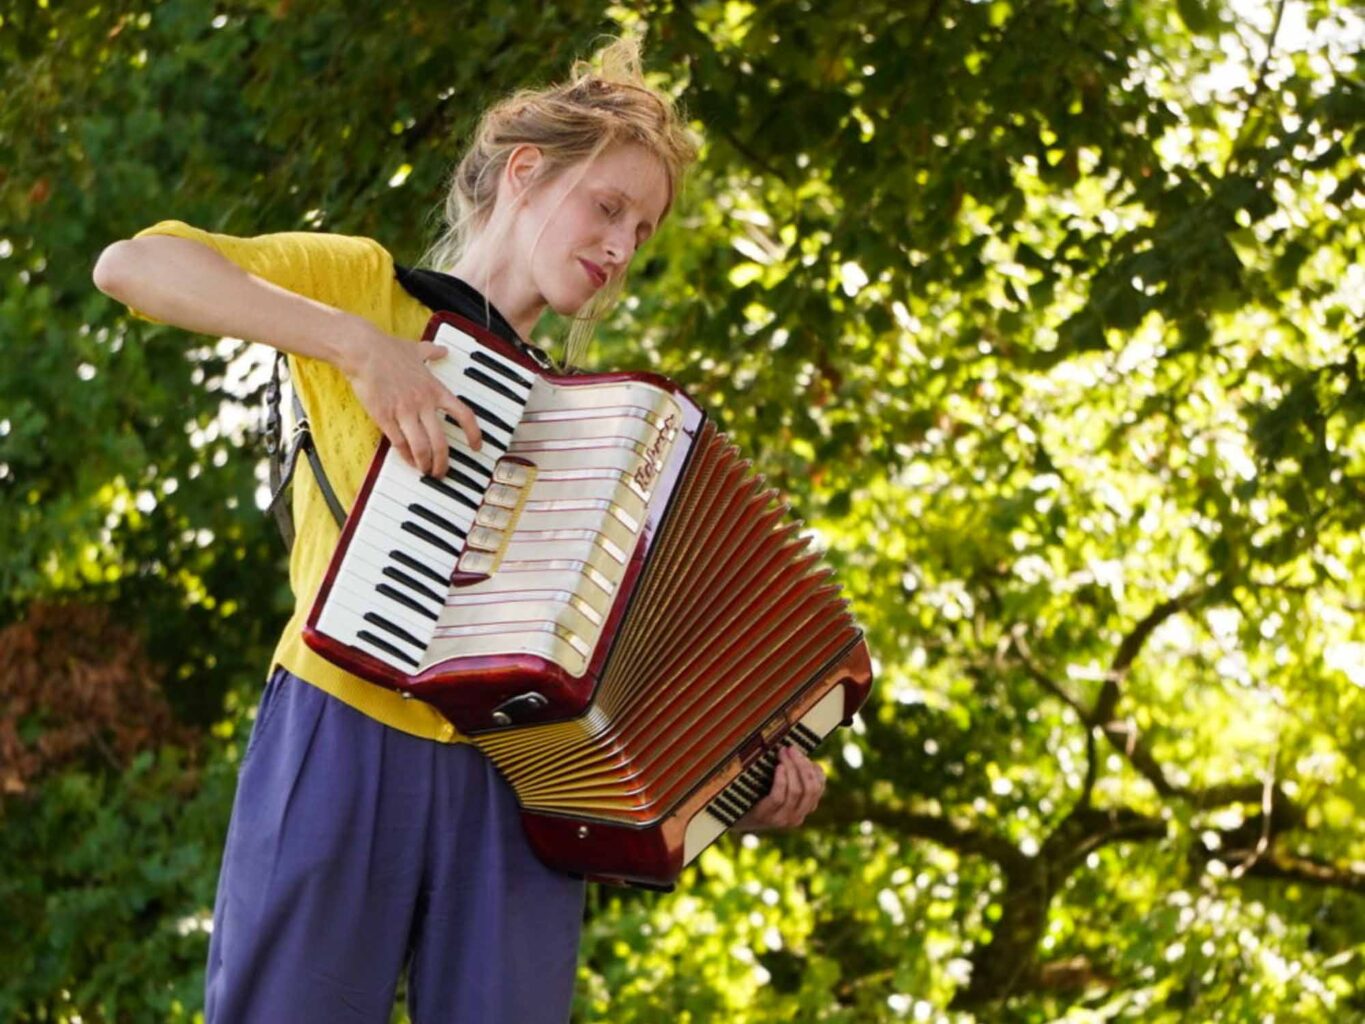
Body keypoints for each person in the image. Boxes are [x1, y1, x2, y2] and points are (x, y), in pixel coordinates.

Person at [92, 37, 828, 1024]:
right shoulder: (364, 291)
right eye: (607, 206)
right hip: (341, 727)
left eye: (641, 231)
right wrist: (362, 350)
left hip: (515, 782)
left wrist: (747, 761)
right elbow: (133, 265)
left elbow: (636, 656)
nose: (620, 246)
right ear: (526, 171)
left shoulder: (598, 430)